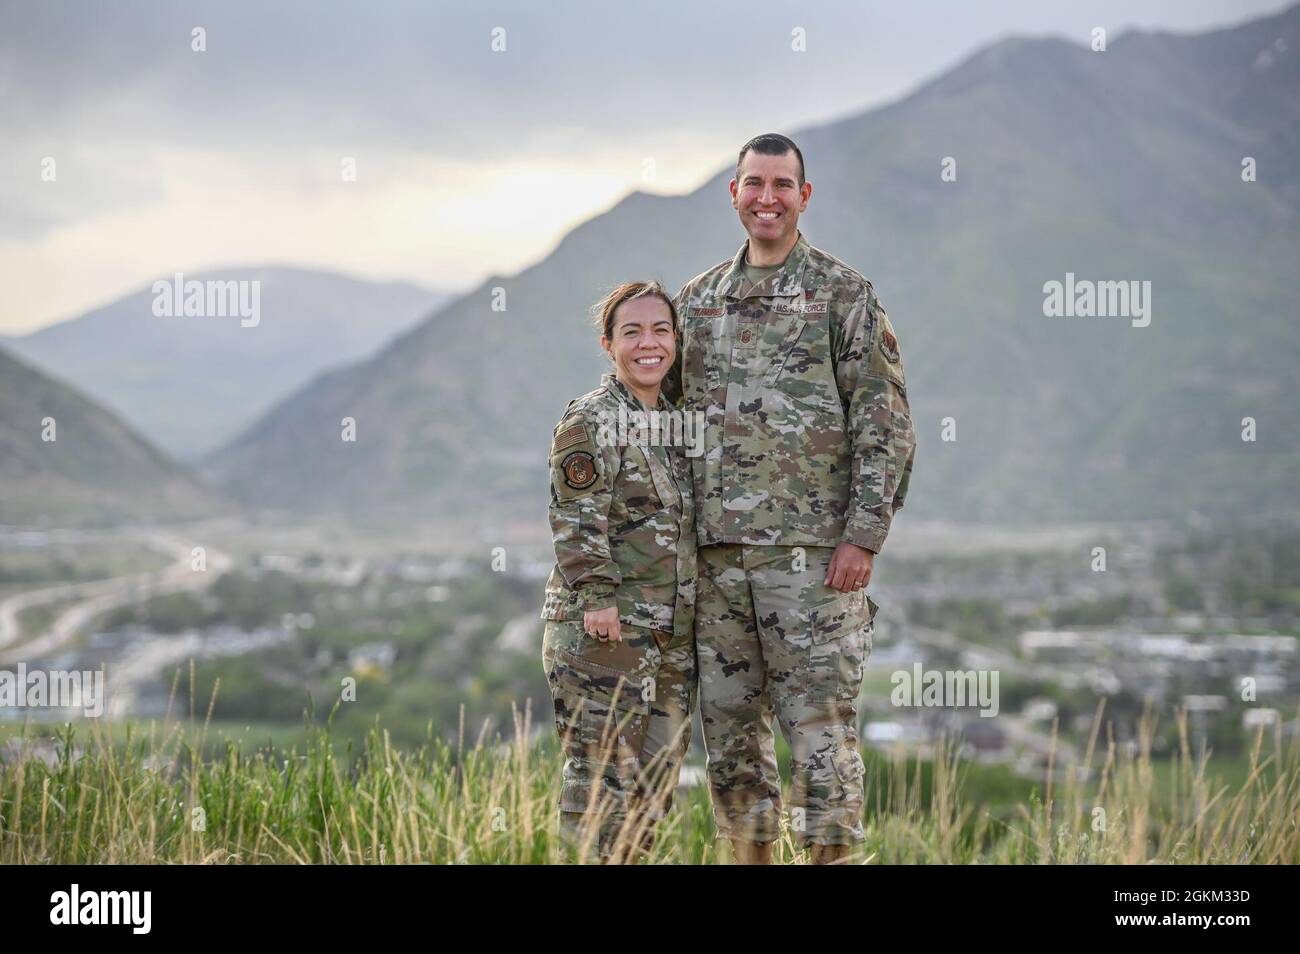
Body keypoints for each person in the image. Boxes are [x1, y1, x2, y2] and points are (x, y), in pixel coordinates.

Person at [668, 133, 916, 864]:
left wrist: (862, 537)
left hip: (813, 564)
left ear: (804, 196)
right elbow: (671, 427)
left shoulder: (844, 295)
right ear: (734, 192)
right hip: (716, 568)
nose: (766, 197)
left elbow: (885, 422)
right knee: (733, 749)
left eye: (782, 184)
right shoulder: (697, 302)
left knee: (820, 743)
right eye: (753, 183)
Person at [540, 281, 697, 863]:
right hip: (605, 636)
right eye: (632, 332)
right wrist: (599, 598)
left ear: (676, 340)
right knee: (601, 792)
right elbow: (576, 516)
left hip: (668, 640)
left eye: (660, 330)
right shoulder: (591, 420)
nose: (648, 344)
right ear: (608, 344)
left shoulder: (675, 425)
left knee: (652, 797)